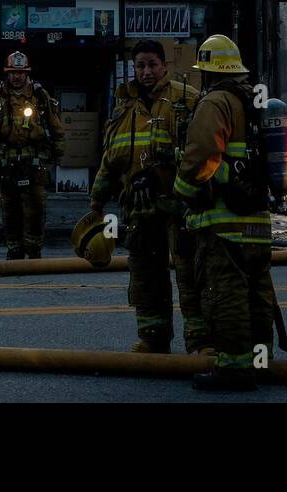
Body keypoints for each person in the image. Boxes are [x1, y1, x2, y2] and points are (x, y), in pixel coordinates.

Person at [173, 34, 276, 392]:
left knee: (226, 293)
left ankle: (233, 368)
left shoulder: (216, 101)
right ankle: (261, 361)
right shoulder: (254, 102)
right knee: (258, 292)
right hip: (258, 221)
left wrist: (183, 193)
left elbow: (202, 152)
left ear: (208, 71)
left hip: (224, 222)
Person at [90, 40, 204, 354]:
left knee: (190, 275)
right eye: (140, 65)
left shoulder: (186, 100)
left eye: (152, 64)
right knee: (145, 277)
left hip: (178, 206)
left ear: (164, 66)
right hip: (139, 209)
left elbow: (200, 153)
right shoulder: (123, 108)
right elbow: (110, 159)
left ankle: (202, 344)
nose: (146, 72)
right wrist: (96, 201)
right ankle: (153, 339)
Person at [0, 51, 64, 259]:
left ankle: (33, 248)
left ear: (27, 73)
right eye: (13, 72)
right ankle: (14, 248)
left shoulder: (40, 97)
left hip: (35, 162)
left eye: (21, 73)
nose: (17, 77)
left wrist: (57, 156)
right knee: (10, 207)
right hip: (6, 162)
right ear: (7, 73)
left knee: (35, 207)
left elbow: (56, 128)